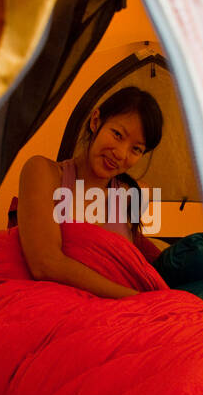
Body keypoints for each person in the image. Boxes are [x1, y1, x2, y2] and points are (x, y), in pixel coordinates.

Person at [16, 87, 164, 300]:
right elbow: (45, 264)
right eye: (117, 134)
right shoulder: (43, 172)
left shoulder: (131, 195)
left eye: (136, 149)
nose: (121, 154)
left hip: (119, 316)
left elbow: (130, 268)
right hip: (55, 305)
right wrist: (137, 301)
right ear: (96, 121)